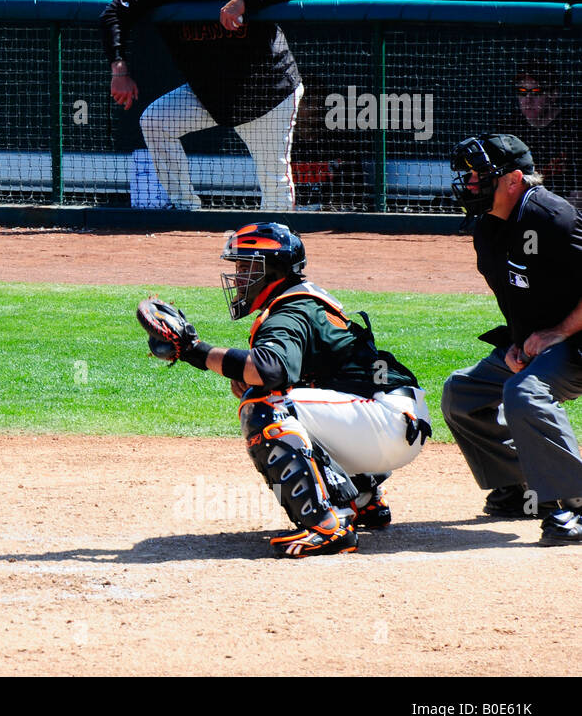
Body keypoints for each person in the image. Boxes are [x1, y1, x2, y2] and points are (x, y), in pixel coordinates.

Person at [142, 222, 431, 557]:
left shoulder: (289, 311)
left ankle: (326, 525)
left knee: (263, 405)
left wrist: (195, 351)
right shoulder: (301, 300)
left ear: (271, 269)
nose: (237, 277)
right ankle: (359, 497)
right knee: (269, 396)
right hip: (391, 421)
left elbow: (268, 368)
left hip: (385, 422)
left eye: (245, 266)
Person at [100, 0, 308, 212]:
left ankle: (276, 247)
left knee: (274, 183)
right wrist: (119, 68)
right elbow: (113, 14)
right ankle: (185, 209)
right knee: (155, 122)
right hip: (211, 93)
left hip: (266, 94)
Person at [442, 134, 582, 545]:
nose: (469, 183)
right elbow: (519, 297)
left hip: (575, 341)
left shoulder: (554, 218)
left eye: (478, 174)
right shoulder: (488, 227)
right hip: (540, 342)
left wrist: (558, 332)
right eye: (466, 175)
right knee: (461, 394)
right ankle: (522, 487)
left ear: (513, 180)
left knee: (524, 392)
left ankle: (573, 504)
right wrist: (519, 344)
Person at [497, 58, 578, 205]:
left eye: (536, 92)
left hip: (566, 212)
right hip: (522, 210)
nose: (528, 100)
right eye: (522, 92)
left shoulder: (574, 128)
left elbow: (579, 194)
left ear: (553, 94)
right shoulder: (508, 131)